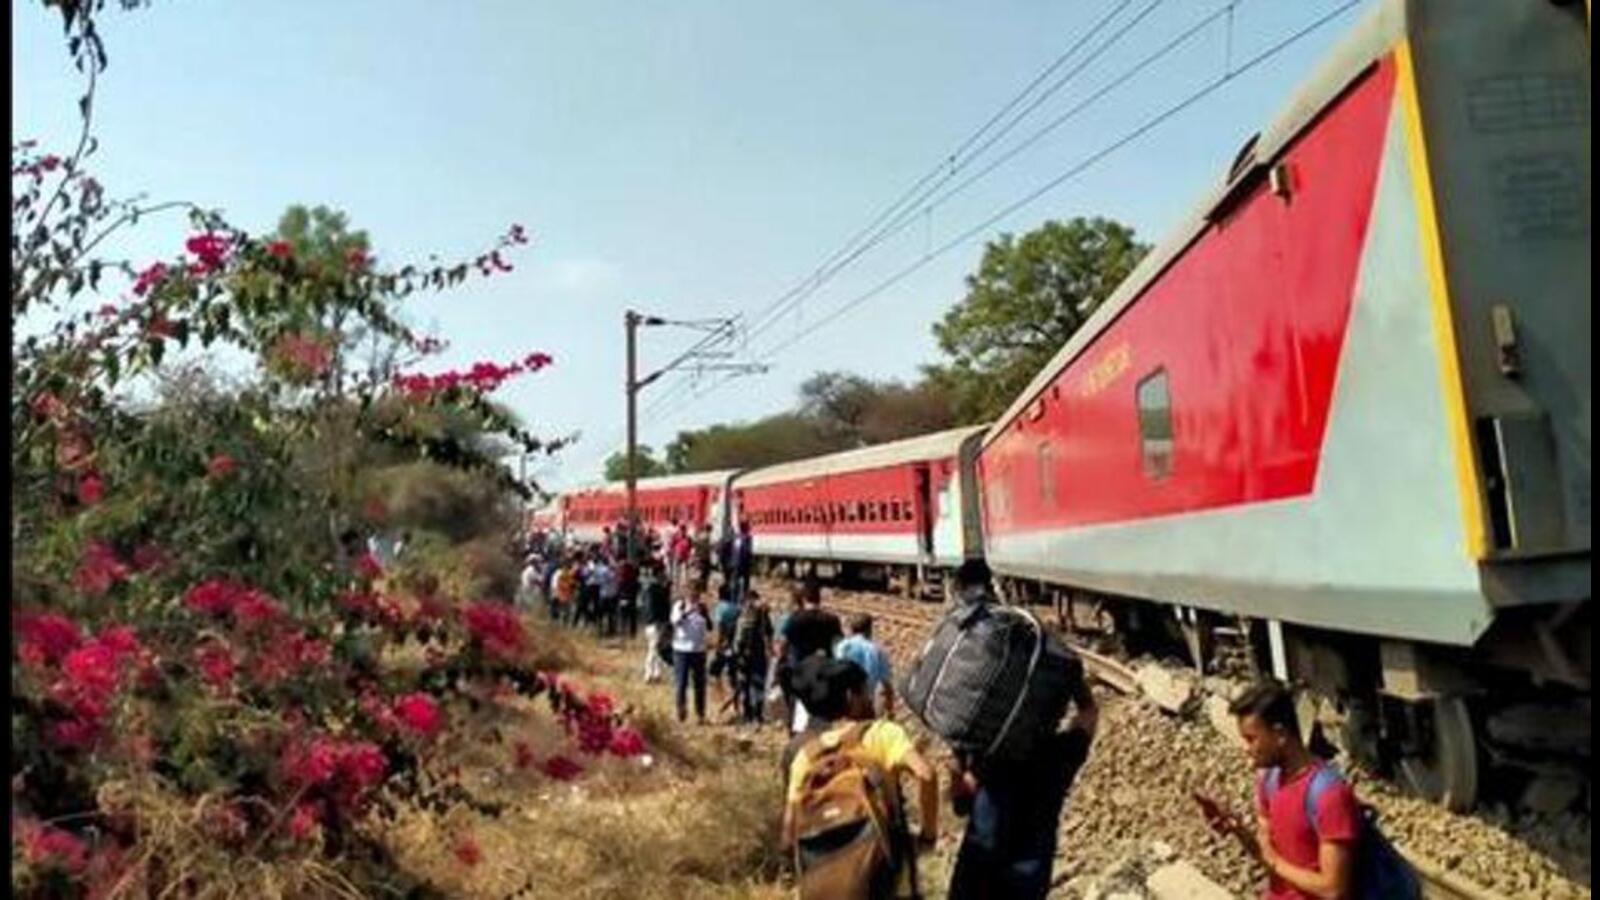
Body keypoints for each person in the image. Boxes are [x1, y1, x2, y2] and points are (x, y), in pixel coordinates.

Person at [944, 581, 1099, 900]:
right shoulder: (1060, 757)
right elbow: (1089, 713)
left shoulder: (986, 757)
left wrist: (958, 760)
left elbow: (959, 802)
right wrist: (1076, 686)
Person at [782, 656, 939, 900]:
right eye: (865, 691)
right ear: (850, 696)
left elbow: (789, 832)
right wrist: (928, 835)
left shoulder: (807, 756)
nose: (870, 698)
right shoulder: (883, 733)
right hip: (886, 880)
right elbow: (926, 774)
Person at [1198, 680, 1358, 900]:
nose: (1246, 749)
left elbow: (1333, 889)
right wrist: (1237, 829)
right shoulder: (1269, 782)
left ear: (1280, 734)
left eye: (1251, 739)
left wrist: (1275, 862)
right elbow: (1267, 855)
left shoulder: (1329, 796)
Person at [773, 580, 843, 734]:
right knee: (822, 711)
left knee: (797, 711)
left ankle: (797, 742)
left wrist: (779, 661)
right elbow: (839, 646)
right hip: (824, 672)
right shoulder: (832, 620)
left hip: (799, 671)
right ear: (819, 598)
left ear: (804, 598)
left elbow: (782, 645)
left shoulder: (795, 619)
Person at [834, 613, 896, 719]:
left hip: (844, 701)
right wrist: (890, 708)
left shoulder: (842, 646)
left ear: (851, 629)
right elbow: (886, 684)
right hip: (866, 701)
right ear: (869, 630)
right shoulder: (877, 650)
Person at [732, 588, 775, 726]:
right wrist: (769, 650)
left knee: (744, 684)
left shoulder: (739, 615)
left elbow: (732, 635)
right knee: (758, 684)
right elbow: (769, 633)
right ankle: (757, 715)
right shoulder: (762, 615)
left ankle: (747, 715)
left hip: (742, 655)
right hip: (758, 653)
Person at [670, 585, 711, 724]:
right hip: (681, 650)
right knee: (681, 683)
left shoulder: (703, 608)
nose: (694, 596)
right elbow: (675, 622)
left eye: (697, 594)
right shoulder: (679, 606)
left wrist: (704, 614)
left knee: (700, 684)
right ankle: (681, 711)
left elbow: (709, 627)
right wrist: (688, 611)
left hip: (699, 650)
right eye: (692, 594)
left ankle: (701, 714)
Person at [641, 560, 673, 683]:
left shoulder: (650, 587)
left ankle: (656, 673)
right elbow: (658, 607)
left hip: (652, 622)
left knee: (656, 649)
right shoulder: (655, 589)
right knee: (654, 648)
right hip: (656, 622)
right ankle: (649, 673)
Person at [733, 519, 755, 601]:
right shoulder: (747, 538)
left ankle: (736, 596)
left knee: (736, 581)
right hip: (743, 563)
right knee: (745, 582)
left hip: (737, 563)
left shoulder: (737, 537)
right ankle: (742, 597)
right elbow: (747, 551)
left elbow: (735, 550)